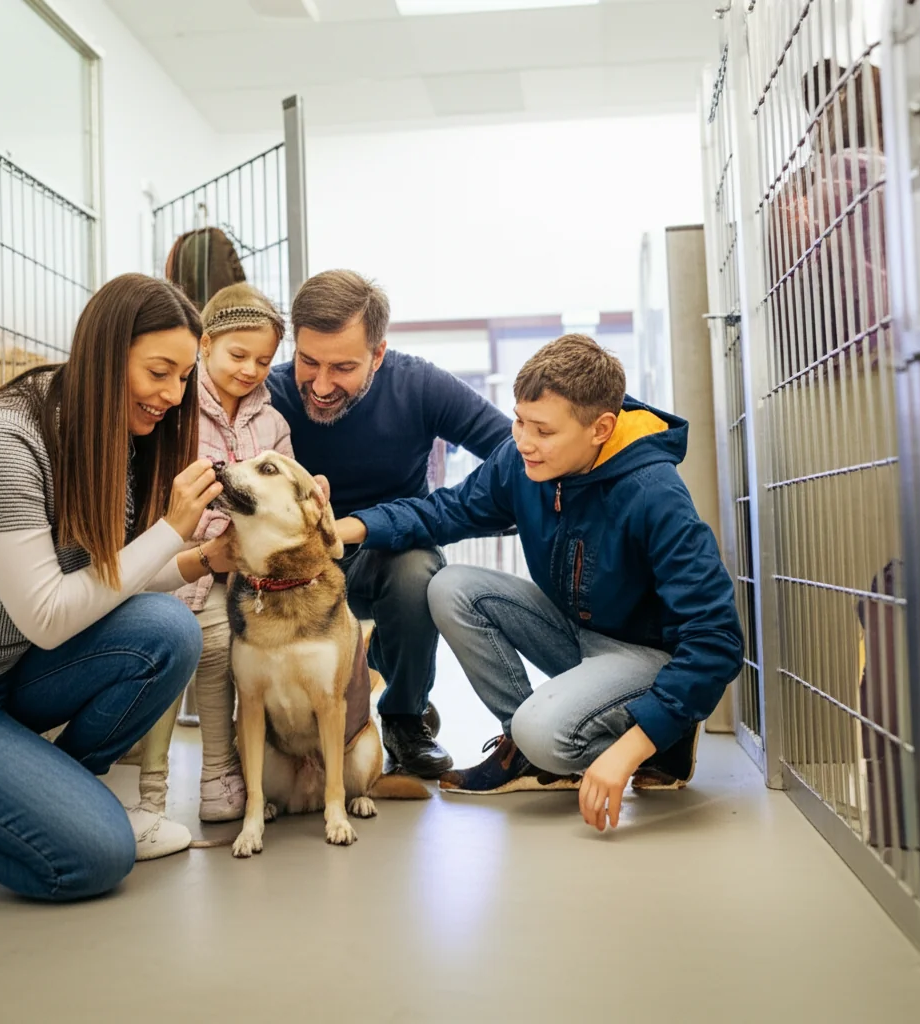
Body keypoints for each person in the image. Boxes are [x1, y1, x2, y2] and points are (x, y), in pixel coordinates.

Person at [336, 334, 743, 830]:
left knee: (544, 729)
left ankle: (662, 732)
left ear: (601, 428)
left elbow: (717, 640)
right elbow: (447, 510)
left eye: (543, 431)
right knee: (450, 584)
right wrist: (352, 527)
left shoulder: (655, 494)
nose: (523, 441)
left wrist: (632, 748)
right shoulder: (522, 462)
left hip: (644, 658)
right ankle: (526, 748)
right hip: (575, 633)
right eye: (519, 421)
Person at [0, 273, 236, 901]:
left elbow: (100, 579)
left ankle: (41, 791)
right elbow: (48, 615)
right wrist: (170, 529)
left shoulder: (108, 434)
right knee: (94, 856)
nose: (172, 396)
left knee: (168, 629)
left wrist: (202, 558)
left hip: (10, 670)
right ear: (106, 355)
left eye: (185, 378)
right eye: (159, 372)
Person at [267, 270, 512, 778]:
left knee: (416, 568)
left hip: (387, 556)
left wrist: (447, 511)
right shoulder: (270, 395)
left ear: (378, 355)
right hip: (293, 570)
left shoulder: (418, 385)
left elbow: (512, 453)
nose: (321, 384)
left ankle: (404, 716)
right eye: (308, 362)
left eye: (343, 367)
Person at [137, 283, 316, 824]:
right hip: (183, 563)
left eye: (264, 360)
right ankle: (153, 788)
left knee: (225, 656)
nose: (251, 370)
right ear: (206, 345)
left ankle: (220, 772)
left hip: (249, 573)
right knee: (202, 642)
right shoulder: (176, 409)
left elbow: (284, 492)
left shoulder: (273, 423)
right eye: (238, 356)